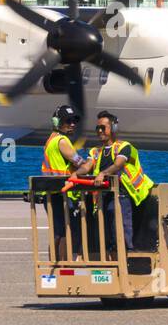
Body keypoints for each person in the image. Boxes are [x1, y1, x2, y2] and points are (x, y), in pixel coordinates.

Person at [80, 110, 157, 253]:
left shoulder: (124, 146)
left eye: (103, 127)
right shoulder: (95, 151)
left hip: (123, 193)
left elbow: (118, 164)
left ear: (114, 128)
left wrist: (103, 173)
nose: (100, 131)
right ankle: (110, 251)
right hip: (104, 195)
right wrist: (75, 174)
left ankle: (127, 252)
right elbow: (87, 166)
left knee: (121, 224)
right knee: (106, 225)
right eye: (98, 128)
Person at [42, 105, 86, 259]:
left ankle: (54, 264)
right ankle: (63, 266)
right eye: (68, 121)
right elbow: (80, 162)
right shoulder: (62, 141)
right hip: (62, 193)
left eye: (74, 120)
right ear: (57, 122)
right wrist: (90, 163)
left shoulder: (51, 140)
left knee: (57, 231)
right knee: (66, 231)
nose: (72, 124)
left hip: (52, 192)